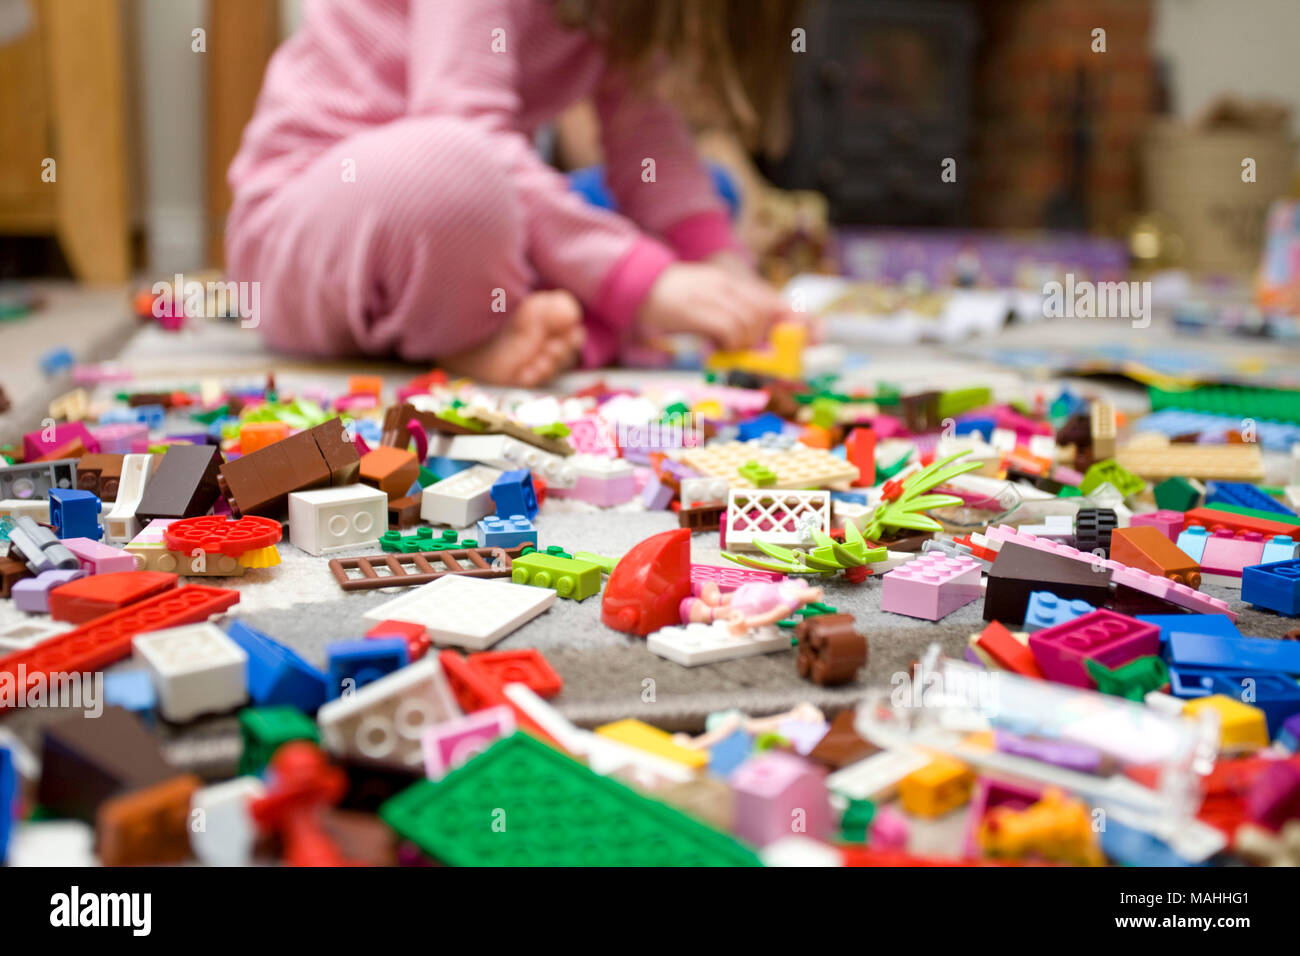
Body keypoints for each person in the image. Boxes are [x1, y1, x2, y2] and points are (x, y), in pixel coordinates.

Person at [225, 0, 803, 386]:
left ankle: (484, 331)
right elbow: (466, 126)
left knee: (695, 210)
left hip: (449, 240)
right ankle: (478, 328)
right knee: (457, 165)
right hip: (300, 240)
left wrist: (725, 268)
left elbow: (647, 132)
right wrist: (645, 280)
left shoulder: (620, 10)